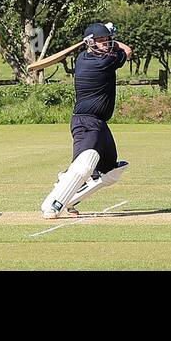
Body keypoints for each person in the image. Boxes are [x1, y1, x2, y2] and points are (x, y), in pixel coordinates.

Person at [41, 22, 133, 218]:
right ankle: (53, 203)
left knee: (110, 171)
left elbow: (112, 49)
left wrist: (105, 37)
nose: (107, 45)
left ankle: (70, 198)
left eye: (107, 41)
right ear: (90, 43)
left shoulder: (83, 57)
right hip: (86, 122)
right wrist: (115, 42)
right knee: (85, 163)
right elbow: (127, 50)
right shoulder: (103, 62)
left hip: (99, 123)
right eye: (101, 41)